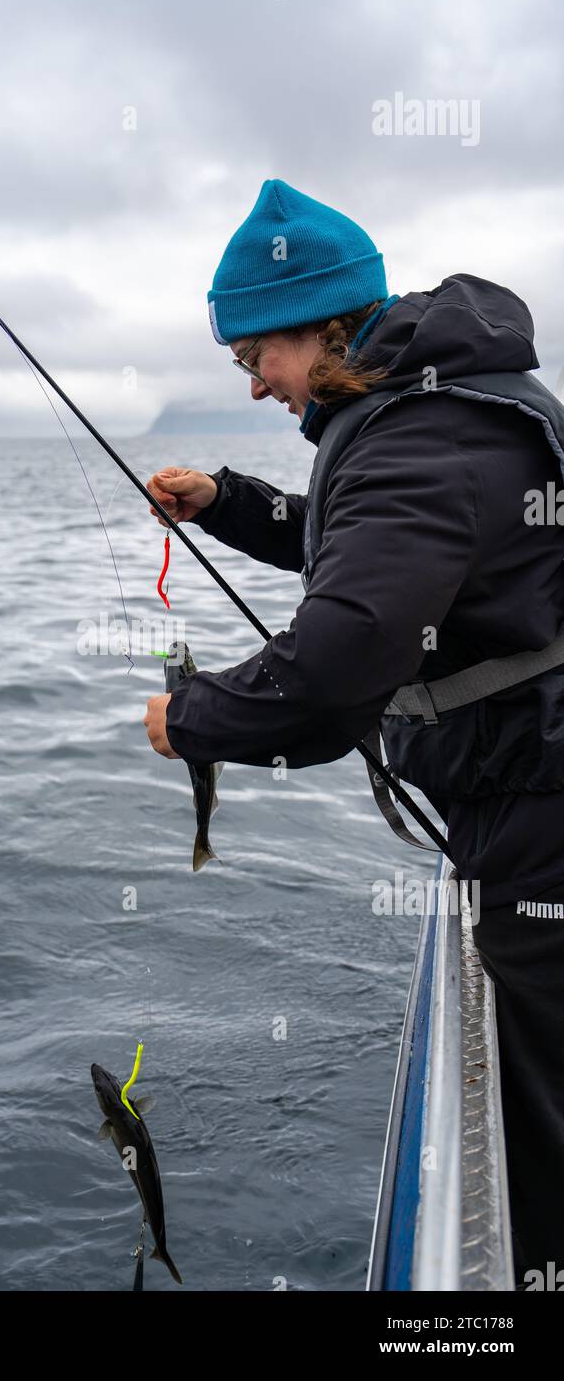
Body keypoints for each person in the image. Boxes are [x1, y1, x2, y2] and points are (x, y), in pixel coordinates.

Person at [142, 178, 564, 1284]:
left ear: (325, 326)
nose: (252, 382)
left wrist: (188, 718)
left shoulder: (415, 433)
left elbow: (333, 673)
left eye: (257, 356)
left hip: (539, 811)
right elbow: (372, 553)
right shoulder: (434, 402)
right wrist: (226, 501)